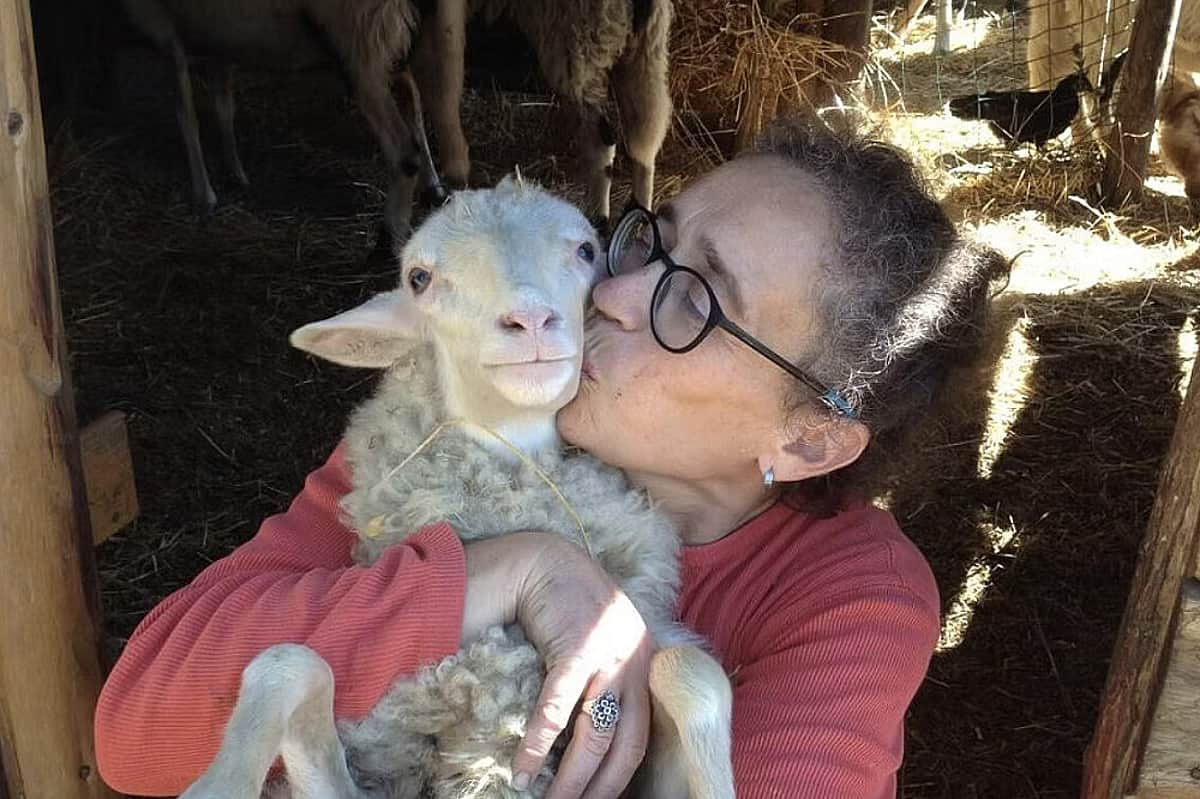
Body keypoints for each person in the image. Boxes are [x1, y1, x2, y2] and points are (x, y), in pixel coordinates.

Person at [94, 112, 1009, 799]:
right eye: (652, 238)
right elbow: (137, 726)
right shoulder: (439, 445)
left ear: (808, 435)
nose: (614, 291)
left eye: (698, 298)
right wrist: (515, 572)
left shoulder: (851, 597)